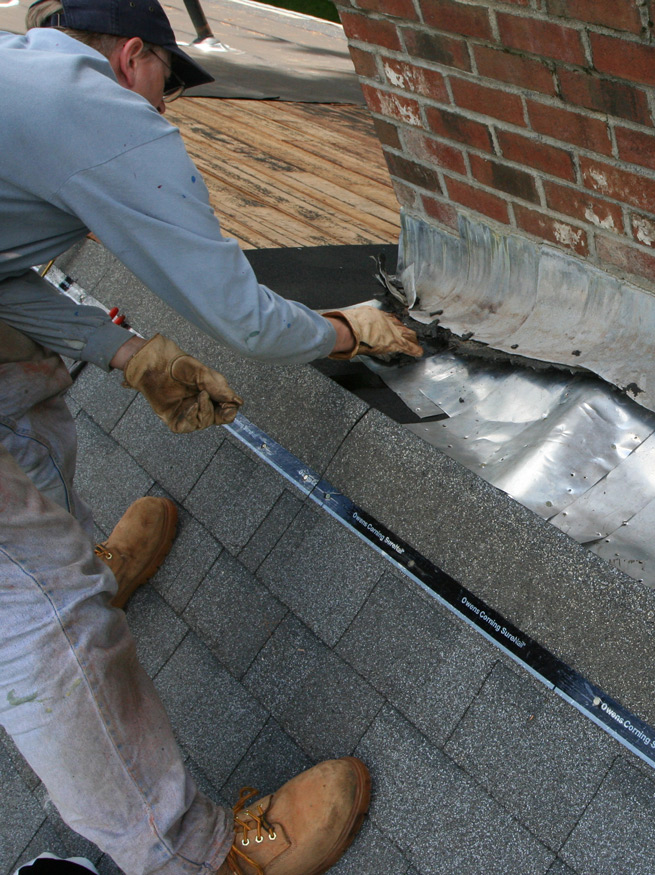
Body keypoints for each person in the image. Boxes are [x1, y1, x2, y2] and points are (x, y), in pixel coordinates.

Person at [0, 0, 422, 872]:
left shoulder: (17, 73)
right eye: (166, 83)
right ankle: (196, 857)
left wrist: (119, 349)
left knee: (26, 398)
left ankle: (89, 565)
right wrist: (348, 329)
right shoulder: (99, 113)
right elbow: (246, 319)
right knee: (44, 623)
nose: (165, 108)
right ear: (129, 56)